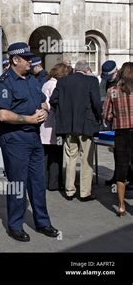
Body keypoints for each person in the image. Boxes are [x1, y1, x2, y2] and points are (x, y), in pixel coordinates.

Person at [0, 42, 58, 242]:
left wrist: (44, 111)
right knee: (18, 183)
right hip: (14, 137)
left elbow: (43, 101)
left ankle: (42, 222)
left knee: (38, 182)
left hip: (33, 136)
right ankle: (15, 225)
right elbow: (3, 115)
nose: (31, 62)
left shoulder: (32, 80)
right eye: (27, 58)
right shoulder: (3, 82)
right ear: (15, 59)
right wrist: (28, 119)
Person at [50, 60, 102, 202]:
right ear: (86, 70)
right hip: (86, 125)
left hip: (68, 126)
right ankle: (85, 192)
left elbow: (53, 100)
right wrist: (99, 116)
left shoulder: (63, 81)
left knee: (70, 158)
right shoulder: (91, 81)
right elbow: (97, 102)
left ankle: (69, 190)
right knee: (86, 159)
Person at [103, 63, 133, 216]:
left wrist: (115, 118)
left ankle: (121, 206)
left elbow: (107, 115)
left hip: (121, 133)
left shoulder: (113, 91)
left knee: (121, 168)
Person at [40, 63, 72, 191]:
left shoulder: (46, 83)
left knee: (45, 155)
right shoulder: (56, 85)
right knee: (56, 155)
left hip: (44, 123)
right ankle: (54, 183)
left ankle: (44, 181)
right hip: (54, 122)